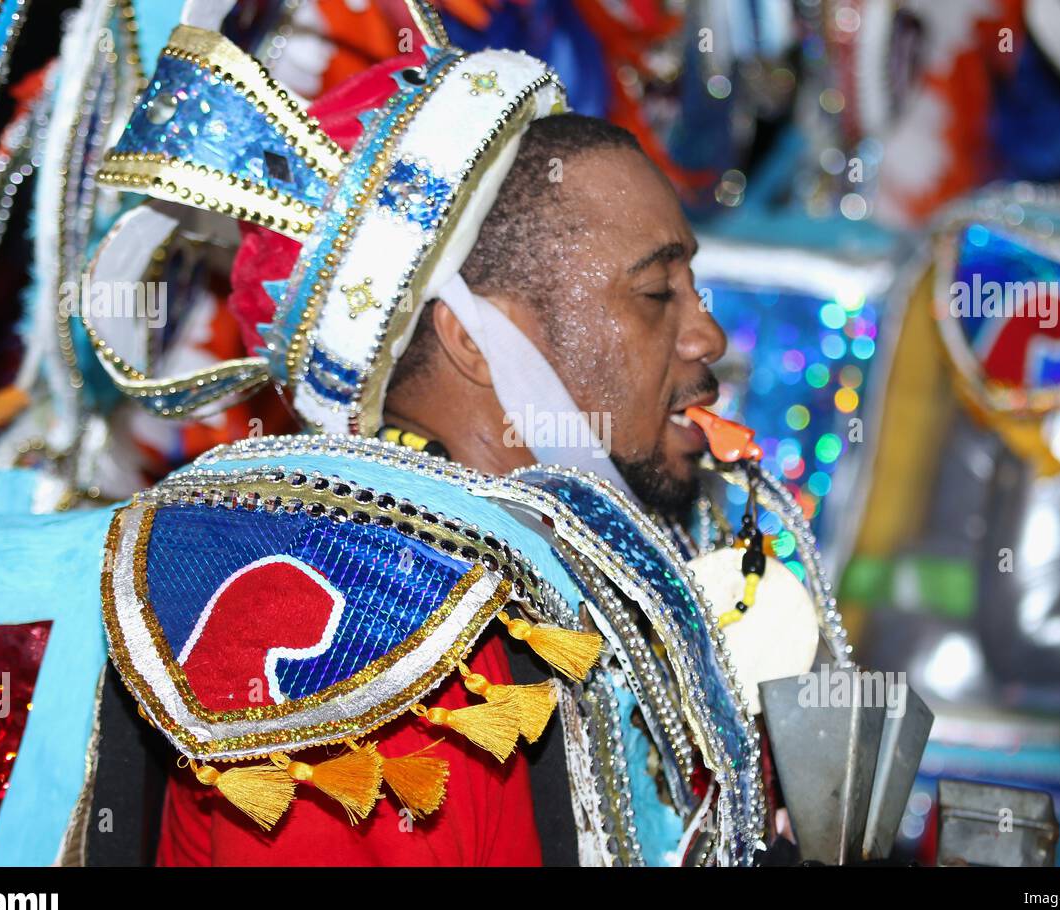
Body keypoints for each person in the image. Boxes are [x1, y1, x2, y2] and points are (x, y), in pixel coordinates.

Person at [88, 0, 830, 866]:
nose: (707, 337)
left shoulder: (582, 590)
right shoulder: (366, 645)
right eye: (657, 294)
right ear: (474, 339)